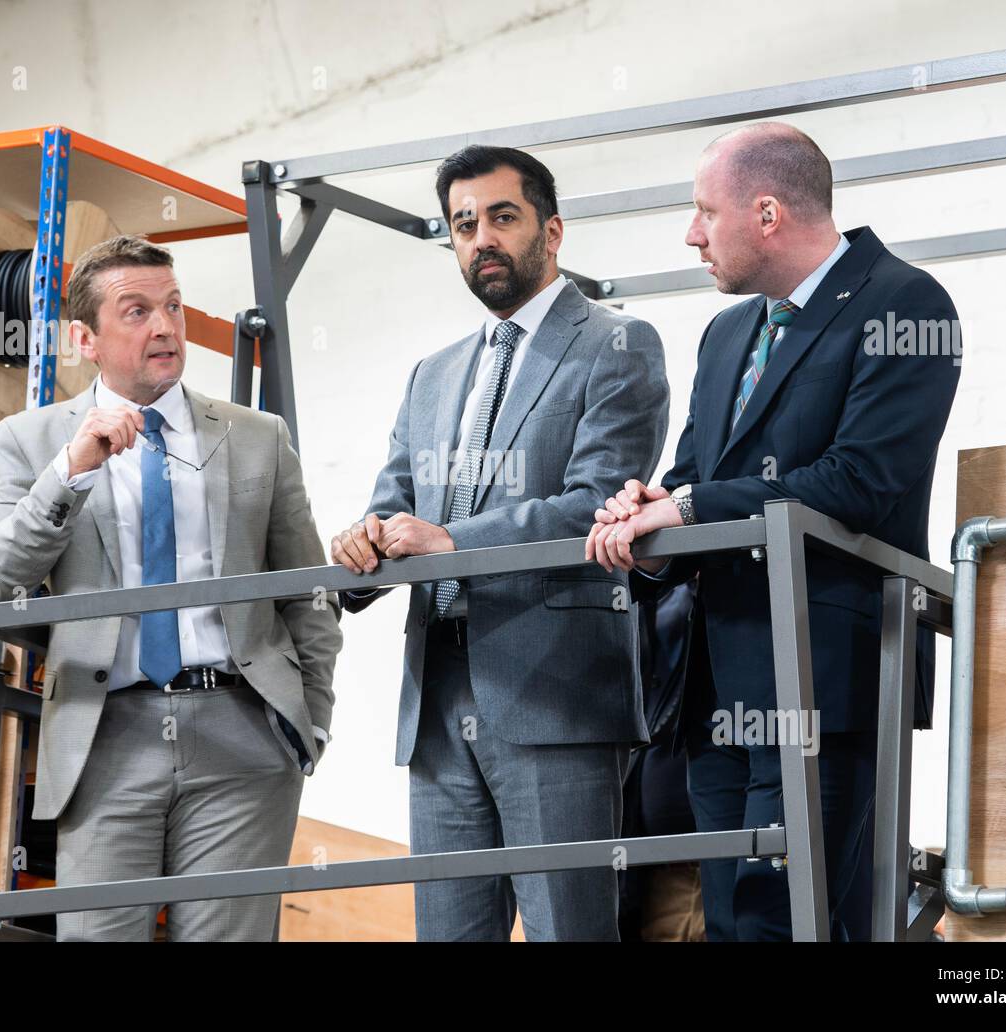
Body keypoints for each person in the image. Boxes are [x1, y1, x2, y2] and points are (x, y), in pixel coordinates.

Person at [586, 122, 962, 941]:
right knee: (735, 922)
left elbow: (859, 482)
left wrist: (683, 509)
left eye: (702, 213)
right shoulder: (725, 336)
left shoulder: (906, 303)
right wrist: (644, 513)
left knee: (790, 922)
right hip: (716, 683)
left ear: (765, 213)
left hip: (823, 676)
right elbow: (694, 477)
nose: (692, 235)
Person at [331, 145, 669, 941]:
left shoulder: (618, 344)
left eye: (502, 217)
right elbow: (397, 506)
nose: (481, 237)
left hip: (553, 693)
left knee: (568, 933)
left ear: (552, 232)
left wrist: (449, 540)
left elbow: (598, 505)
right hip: (438, 699)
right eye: (463, 224)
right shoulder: (433, 374)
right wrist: (362, 546)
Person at [0, 234, 342, 941]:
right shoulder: (32, 440)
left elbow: (308, 592)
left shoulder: (257, 436)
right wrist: (74, 469)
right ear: (85, 337)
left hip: (244, 731)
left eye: (171, 306)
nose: (166, 327)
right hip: (104, 733)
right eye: (136, 311)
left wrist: (310, 719)